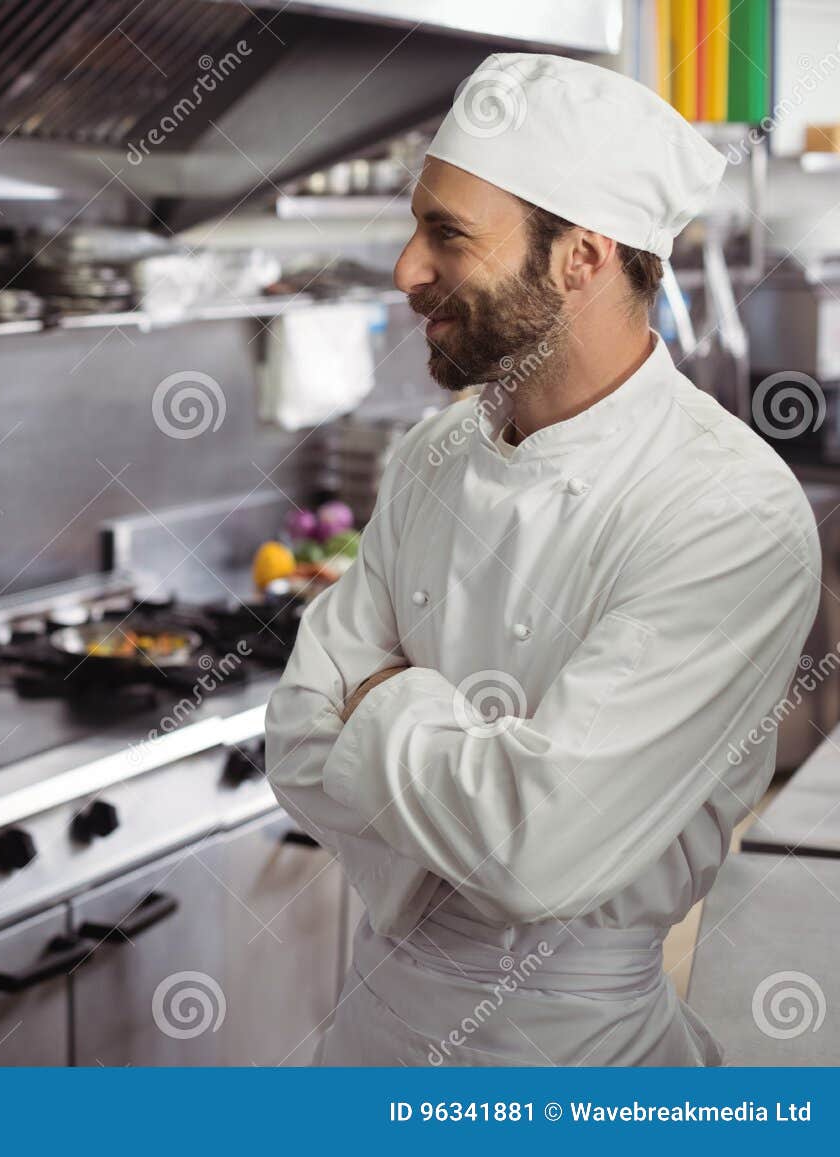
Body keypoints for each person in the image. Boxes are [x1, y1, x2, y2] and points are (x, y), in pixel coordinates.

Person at [265, 53, 820, 1065]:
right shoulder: (435, 451)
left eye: (448, 234)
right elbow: (297, 739)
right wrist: (473, 775)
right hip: (364, 1039)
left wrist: (378, 696)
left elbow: (536, 851)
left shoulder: (727, 508)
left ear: (581, 256)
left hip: (571, 1062)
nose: (406, 270)